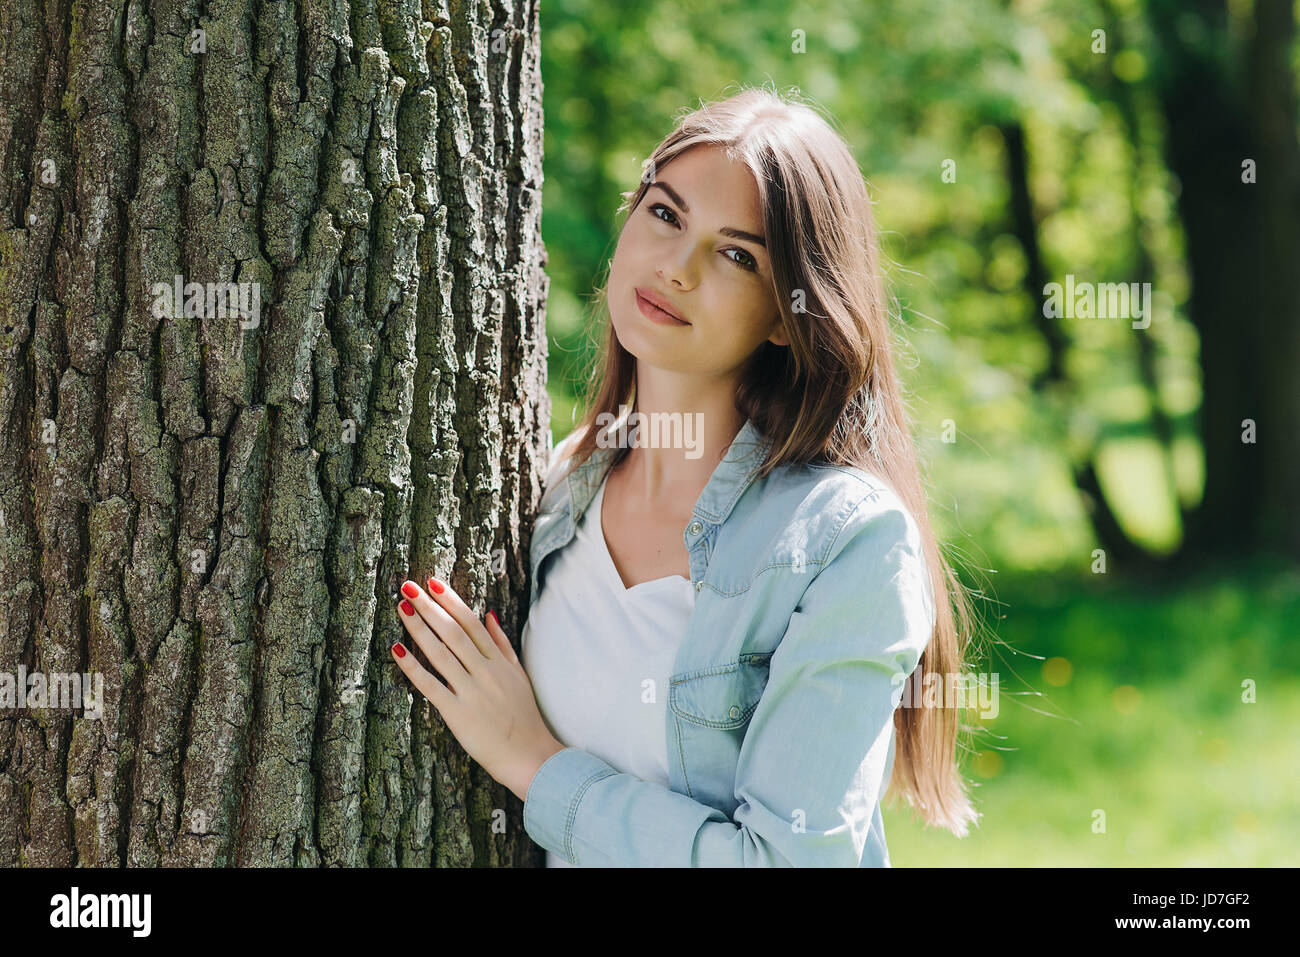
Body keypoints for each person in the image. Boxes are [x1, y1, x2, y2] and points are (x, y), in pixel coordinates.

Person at [392, 85, 980, 867]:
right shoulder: (565, 484)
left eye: (737, 255)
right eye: (665, 213)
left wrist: (531, 762)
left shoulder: (846, 540)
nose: (676, 267)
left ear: (787, 312)